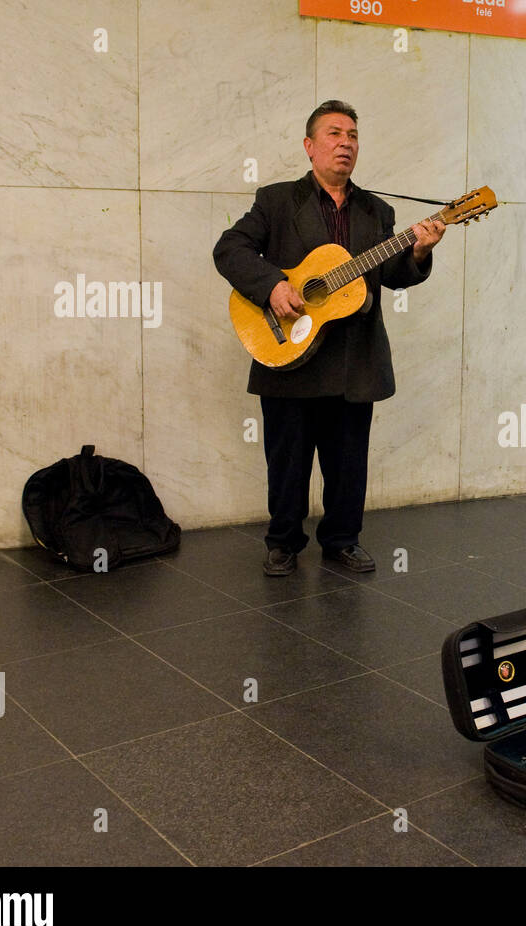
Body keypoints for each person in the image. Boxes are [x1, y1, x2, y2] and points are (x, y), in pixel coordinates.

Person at [214, 100, 445, 575]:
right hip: (288, 351)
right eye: (335, 134)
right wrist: (274, 285)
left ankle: (342, 538)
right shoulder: (277, 201)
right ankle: (283, 542)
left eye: (353, 136)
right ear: (310, 146)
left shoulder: (377, 210)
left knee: (347, 461)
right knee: (288, 460)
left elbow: (392, 274)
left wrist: (418, 251)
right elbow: (229, 249)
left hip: (353, 358)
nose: (346, 143)